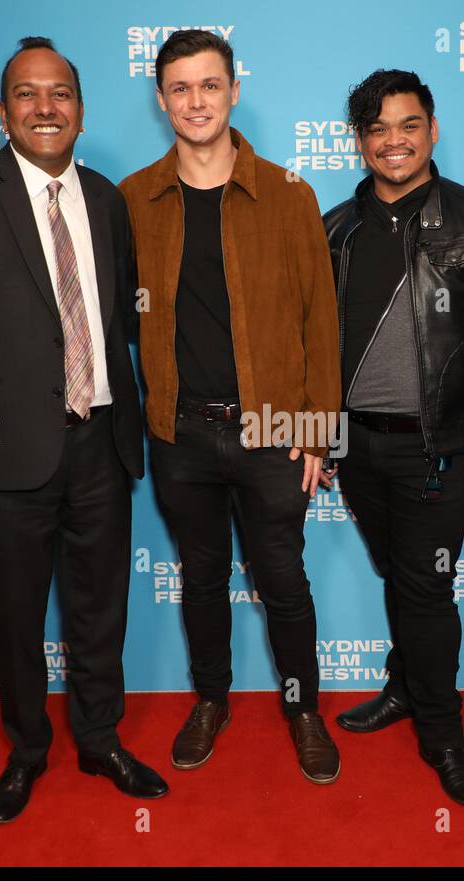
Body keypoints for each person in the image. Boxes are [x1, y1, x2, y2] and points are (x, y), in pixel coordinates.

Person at [0, 36, 168, 823]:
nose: (45, 107)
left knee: (100, 607)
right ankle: (26, 751)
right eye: (27, 94)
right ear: (3, 111)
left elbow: (122, 322)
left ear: (81, 112)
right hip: (0, 449)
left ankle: (100, 739)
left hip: (101, 443)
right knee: (16, 615)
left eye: (59, 94)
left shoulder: (108, 198)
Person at [118, 30, 343, 783]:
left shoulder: (287, 194)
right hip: (180, 431)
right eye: (180, 88)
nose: (195, 101)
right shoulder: (134, 201)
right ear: (161, 99)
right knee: (202, 577)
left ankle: (303, 708)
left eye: (209, 85)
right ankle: (211, 699)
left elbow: (321, 322)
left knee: (284, 577)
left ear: (233, 90)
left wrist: (316, 430)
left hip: (276, 430)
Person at [321, 69, 464, 806]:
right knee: (402, 578)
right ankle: (404, 688)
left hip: (439, 450)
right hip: (355, 449)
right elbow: (312, 348)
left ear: (433, 129)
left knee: (426, 590)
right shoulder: (335, 229)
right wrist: (318, 438)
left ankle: (443, 736)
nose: (393, 141)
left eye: (407, 124)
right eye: (377, 129)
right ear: (360, 141)